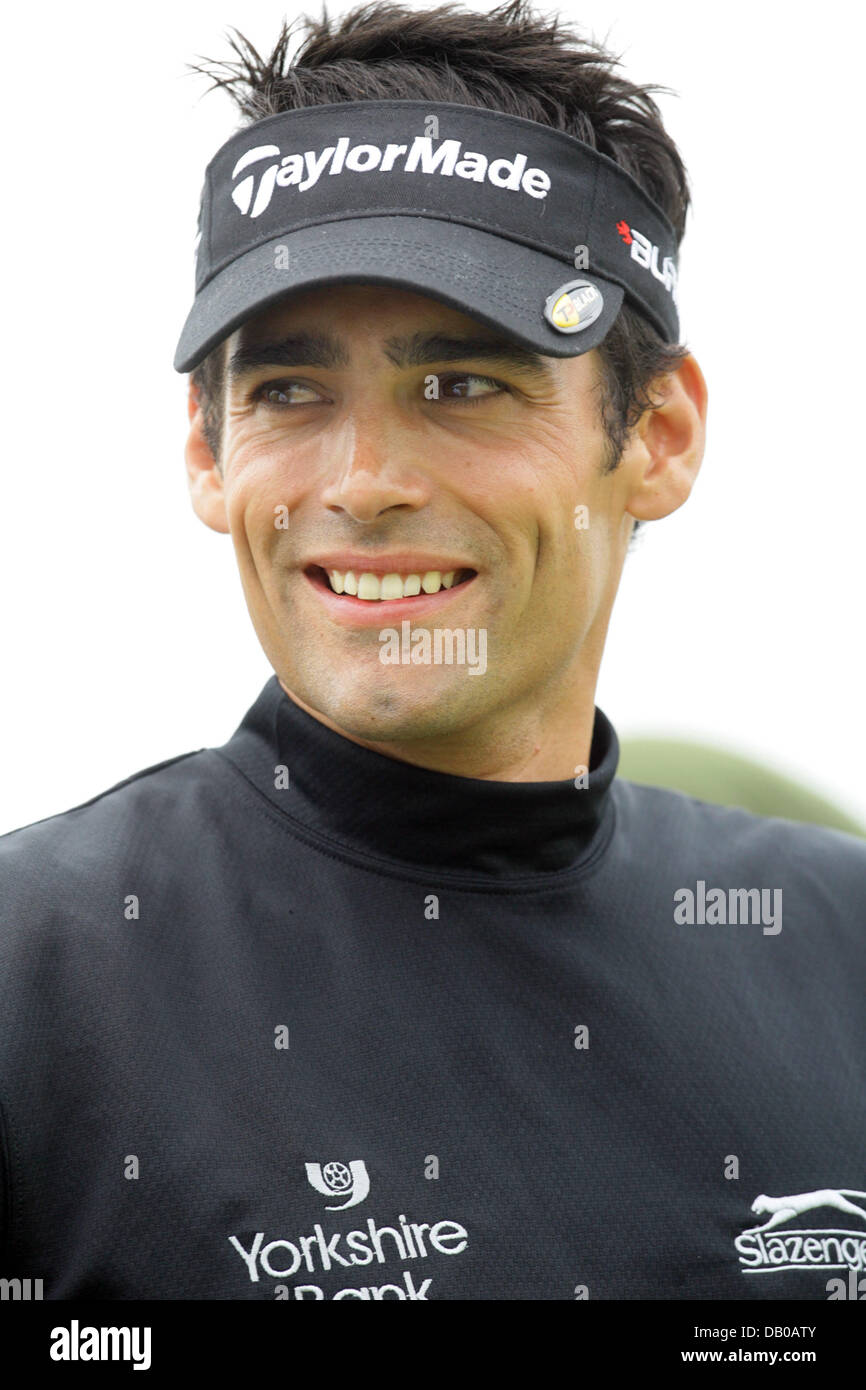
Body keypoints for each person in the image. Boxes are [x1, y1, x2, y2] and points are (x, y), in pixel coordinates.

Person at [1, 0, 864, 1302]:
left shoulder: (836, 938)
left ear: (659, 434)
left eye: (459, 383)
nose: (364, 481)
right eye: (289, 390)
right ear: (206, 449)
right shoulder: (31, 975)